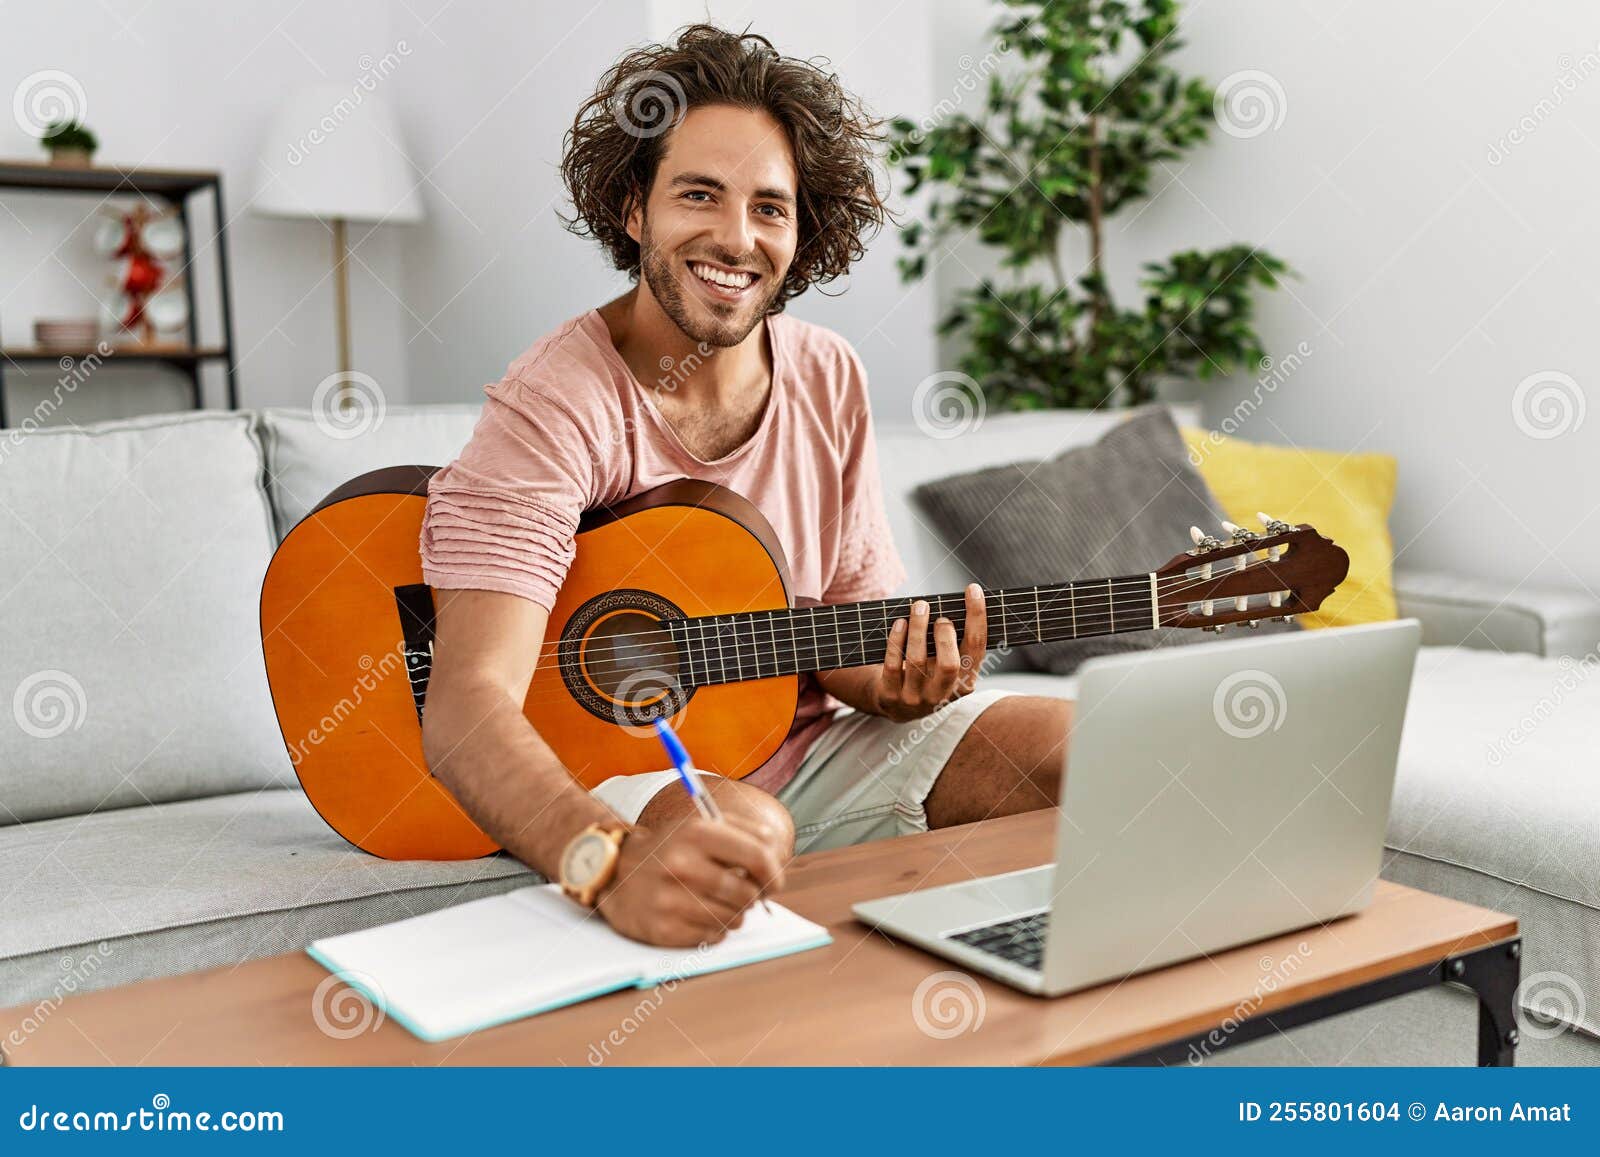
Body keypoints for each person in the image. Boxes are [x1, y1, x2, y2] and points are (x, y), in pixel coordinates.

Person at [419, 24, 1070, 948]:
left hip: (807, 754)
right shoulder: (557, 401)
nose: (737, 237)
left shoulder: (829, 373)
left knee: (1086, 749)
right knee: (742, 832)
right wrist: (601, 863)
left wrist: (903, 686)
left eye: (770, 207)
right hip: (619, 776)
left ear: (803, 232)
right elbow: (465, 705)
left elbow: (844, 632)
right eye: (699, 194)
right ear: (633, 209)